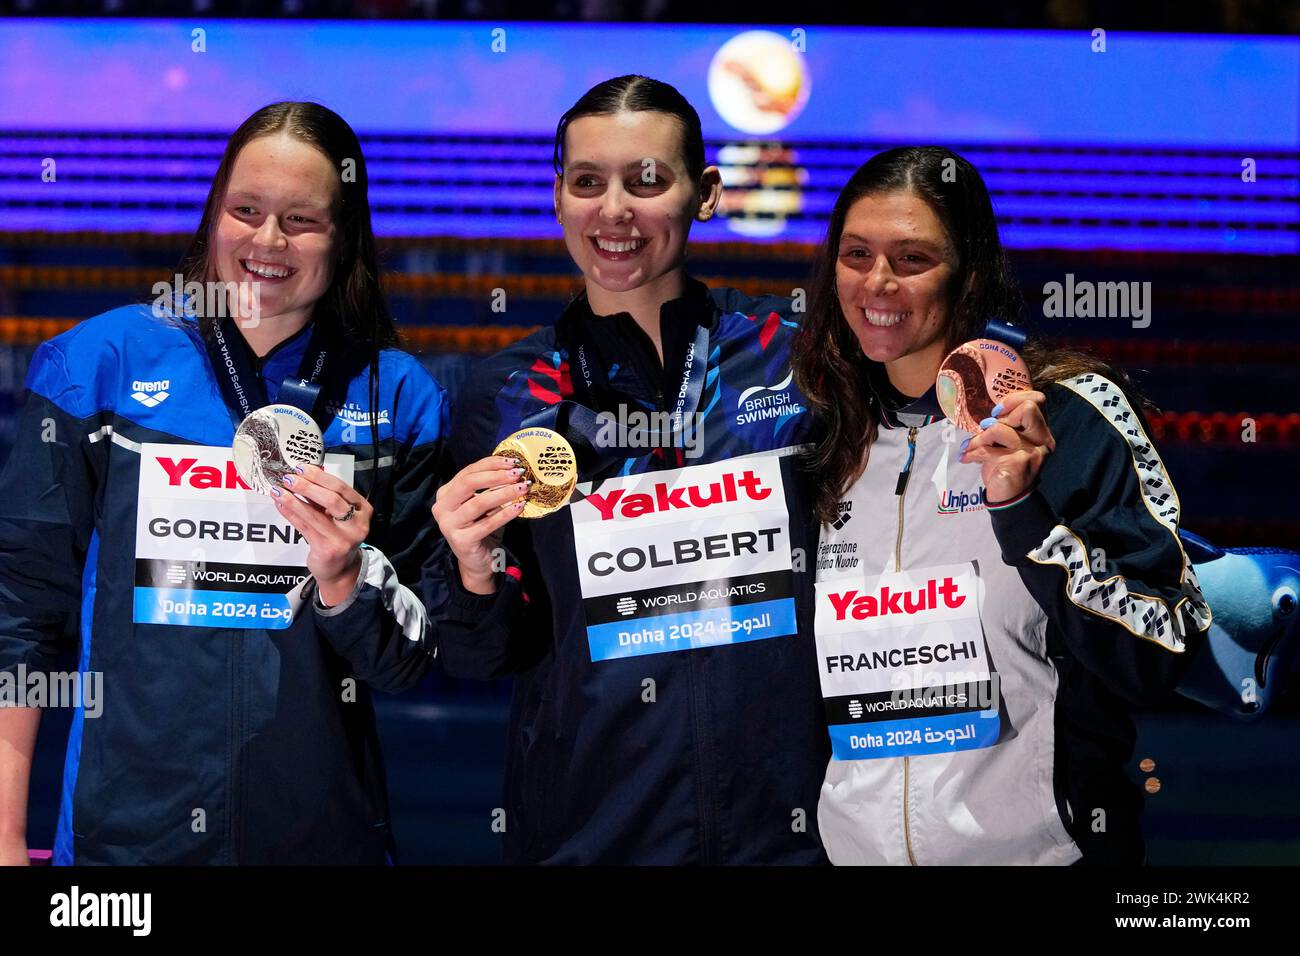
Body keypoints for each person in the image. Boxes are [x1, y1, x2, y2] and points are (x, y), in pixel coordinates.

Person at [0, 102, 445, 865]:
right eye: (246, 210)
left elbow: (408, 660)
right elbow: (20, 613)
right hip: (126, 849)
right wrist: (5, 831)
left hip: (322, 843)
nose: (268, 241)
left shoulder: (396, 397)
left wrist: (345, 582)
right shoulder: (99, 366)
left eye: (301, 220)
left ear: (344, 238)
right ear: (214, 214)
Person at [428, 75, 829, 864]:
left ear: (705, 193)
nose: (615, 211)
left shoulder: (793, 356)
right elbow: (480, 655)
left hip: (788, 836)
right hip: (590, 837)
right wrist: (473, 574)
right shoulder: (507, 393)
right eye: (588, 182)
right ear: (559, 198)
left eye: (647, 180)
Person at [790, 146, 1212, 865]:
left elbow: (1161, 647)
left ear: (971, 275)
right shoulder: (828, 432)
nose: (877, 281)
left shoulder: (1067, 413)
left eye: (912, 258)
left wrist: (1024, 515)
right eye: (856, 254)